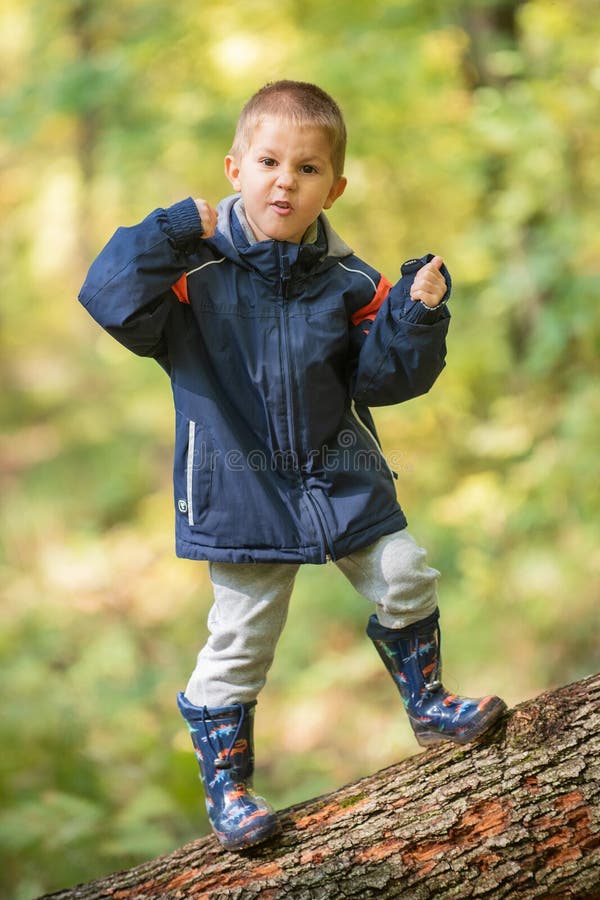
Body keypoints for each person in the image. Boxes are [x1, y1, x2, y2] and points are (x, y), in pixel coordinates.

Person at [79, 80, 506, 852]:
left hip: (338, 475)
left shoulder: (349, 282)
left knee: (405, 571)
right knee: (242, 636)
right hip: (236, 485)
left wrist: (417, 312)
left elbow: (387, 379)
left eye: (308, 169)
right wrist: (172, 228)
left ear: (333, 188)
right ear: (234, 167)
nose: (286, 179)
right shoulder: (194, 271)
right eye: (270, 161)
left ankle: (430, 704)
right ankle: (227, 785)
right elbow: (109, 297)